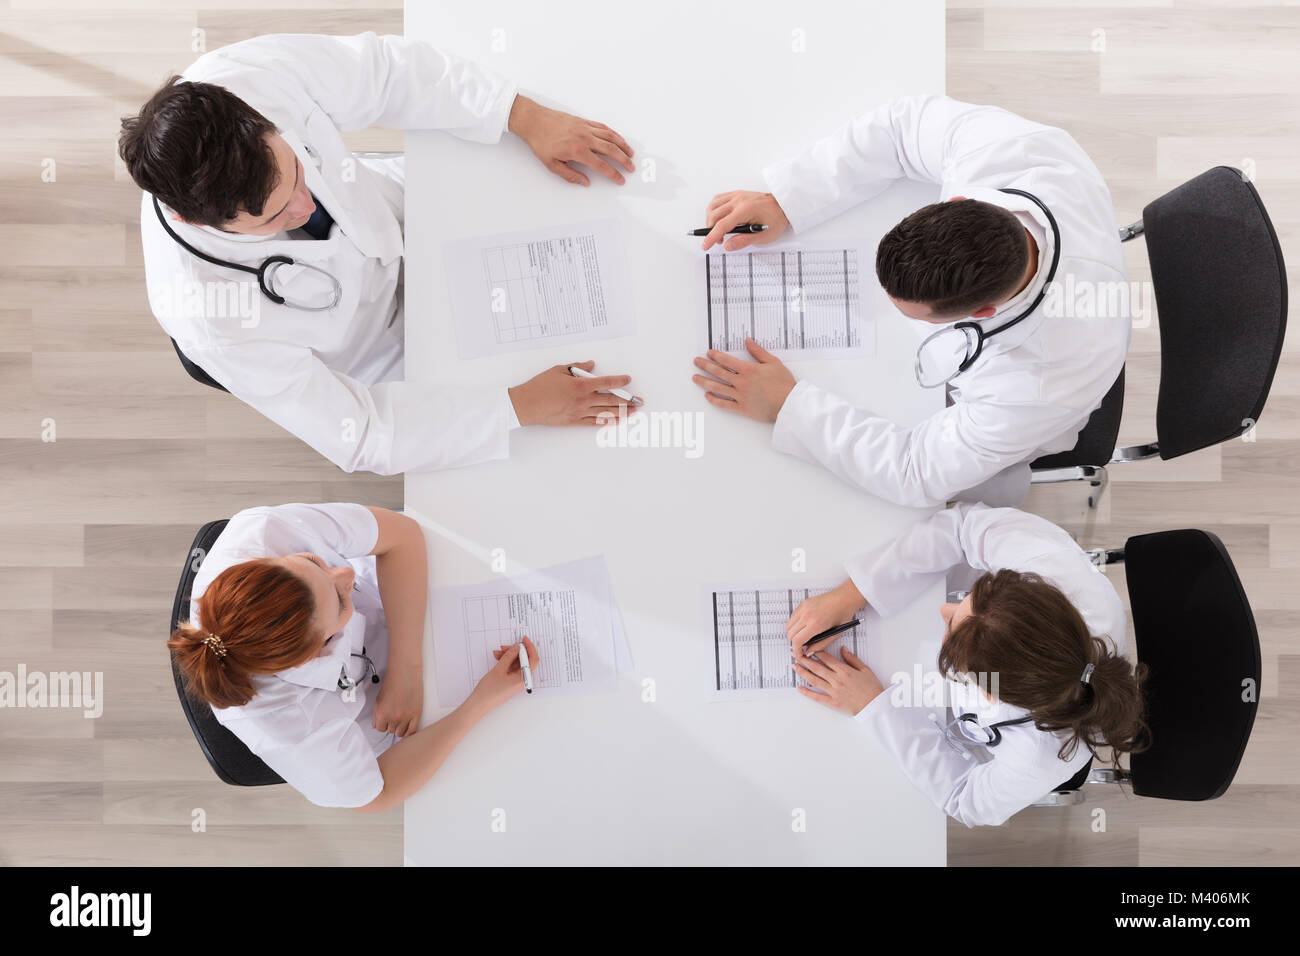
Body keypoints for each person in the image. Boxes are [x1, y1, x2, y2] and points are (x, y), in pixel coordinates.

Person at [120, 32, 640, 476]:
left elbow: (387, 73)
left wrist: (521, 115)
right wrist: (518, 406)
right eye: (274, 218)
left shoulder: (244, 76)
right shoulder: (207, 317)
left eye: (298, 171)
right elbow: (361, 433)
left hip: (392, 207)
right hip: (378, 348)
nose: (303, 206)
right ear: (196, 220)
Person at [691, 95, 1130, 508]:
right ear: (959, 199)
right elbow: (903, 129)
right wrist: (788, 199)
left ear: (981, 314)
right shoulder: (1012, 150)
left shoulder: (1036, 385)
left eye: (904, 306)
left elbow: (915, 470)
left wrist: (792, 408)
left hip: (1001, 427)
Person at [785, 503, 1147, 827]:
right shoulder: (1051, 566)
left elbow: (966, 801)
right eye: (966, 603)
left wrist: (876, 709)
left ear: (988, 692)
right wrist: (854, 593)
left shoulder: (1042, 754)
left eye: (950, 629)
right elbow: (962, 528)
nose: (943, 610)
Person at [168, 502, 537, 810]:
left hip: (401, 606)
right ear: (312, 656)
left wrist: (406, 672)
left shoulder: (261, 534)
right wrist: (478, 704)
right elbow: (378, 793)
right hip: (390, 720)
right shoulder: (285, 724)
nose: (344, 570)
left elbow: (402, 536)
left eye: (312, 561)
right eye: (342, 602)